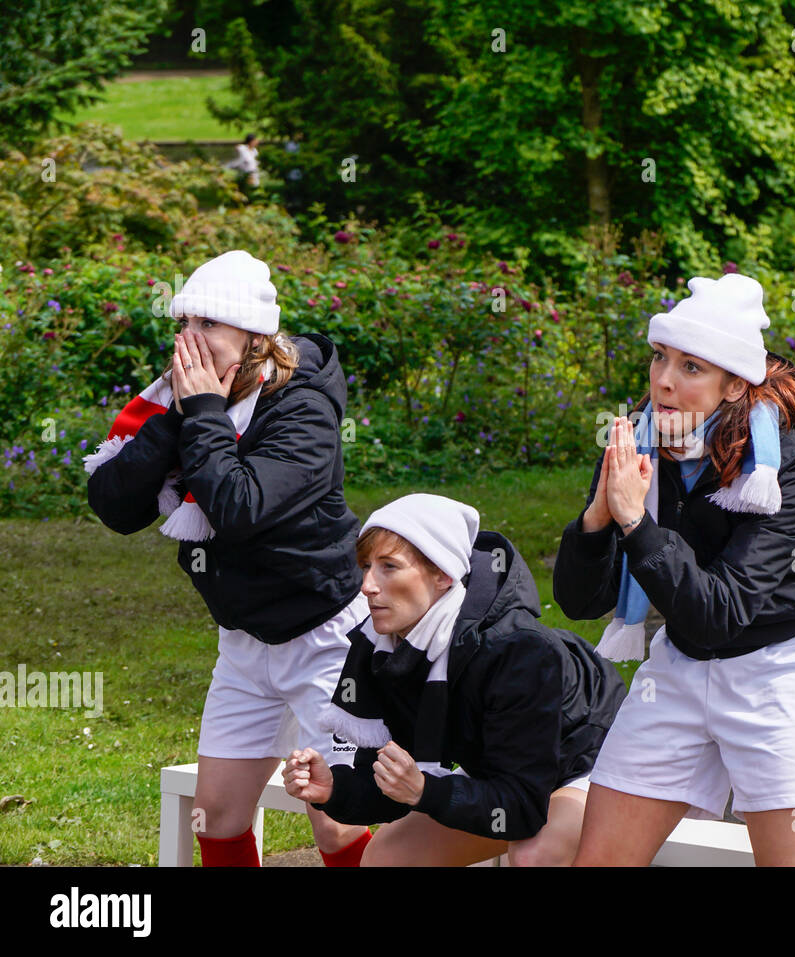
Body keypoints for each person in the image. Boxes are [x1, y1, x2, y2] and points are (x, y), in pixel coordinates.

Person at [552, 272, 795, 867]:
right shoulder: (638, 441)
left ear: (735, 384)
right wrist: (599, 516)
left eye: (691, 367)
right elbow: (580, 602)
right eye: (660, 357)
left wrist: (638, 525)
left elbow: (721, 612)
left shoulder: (786, 469)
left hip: (781, 666)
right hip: (683, 663)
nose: (663, 381)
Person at [85, 249, 372, 866]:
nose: (189, 340)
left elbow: (239, 508)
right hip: (244, 641)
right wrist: (178, 417)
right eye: (184, 324)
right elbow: (115, 507)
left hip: (327, 636)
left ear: (254, 339)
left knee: (337, 821)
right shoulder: (183, 402)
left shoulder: (303, 407)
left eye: (208, 325)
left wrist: (203, 413)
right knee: (214, 816)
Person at [283, 493, 628, 866]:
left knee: (535, 855)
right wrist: (334, 789)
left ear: (443, 574)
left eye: (389, 566)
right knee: (386, 857)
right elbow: (386, 783)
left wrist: (425, 790)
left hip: (590, 762)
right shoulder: (382, 647)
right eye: (366, 566)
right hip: (505, 773)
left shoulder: (519, 651)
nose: (367, 585)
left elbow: (524, 808)